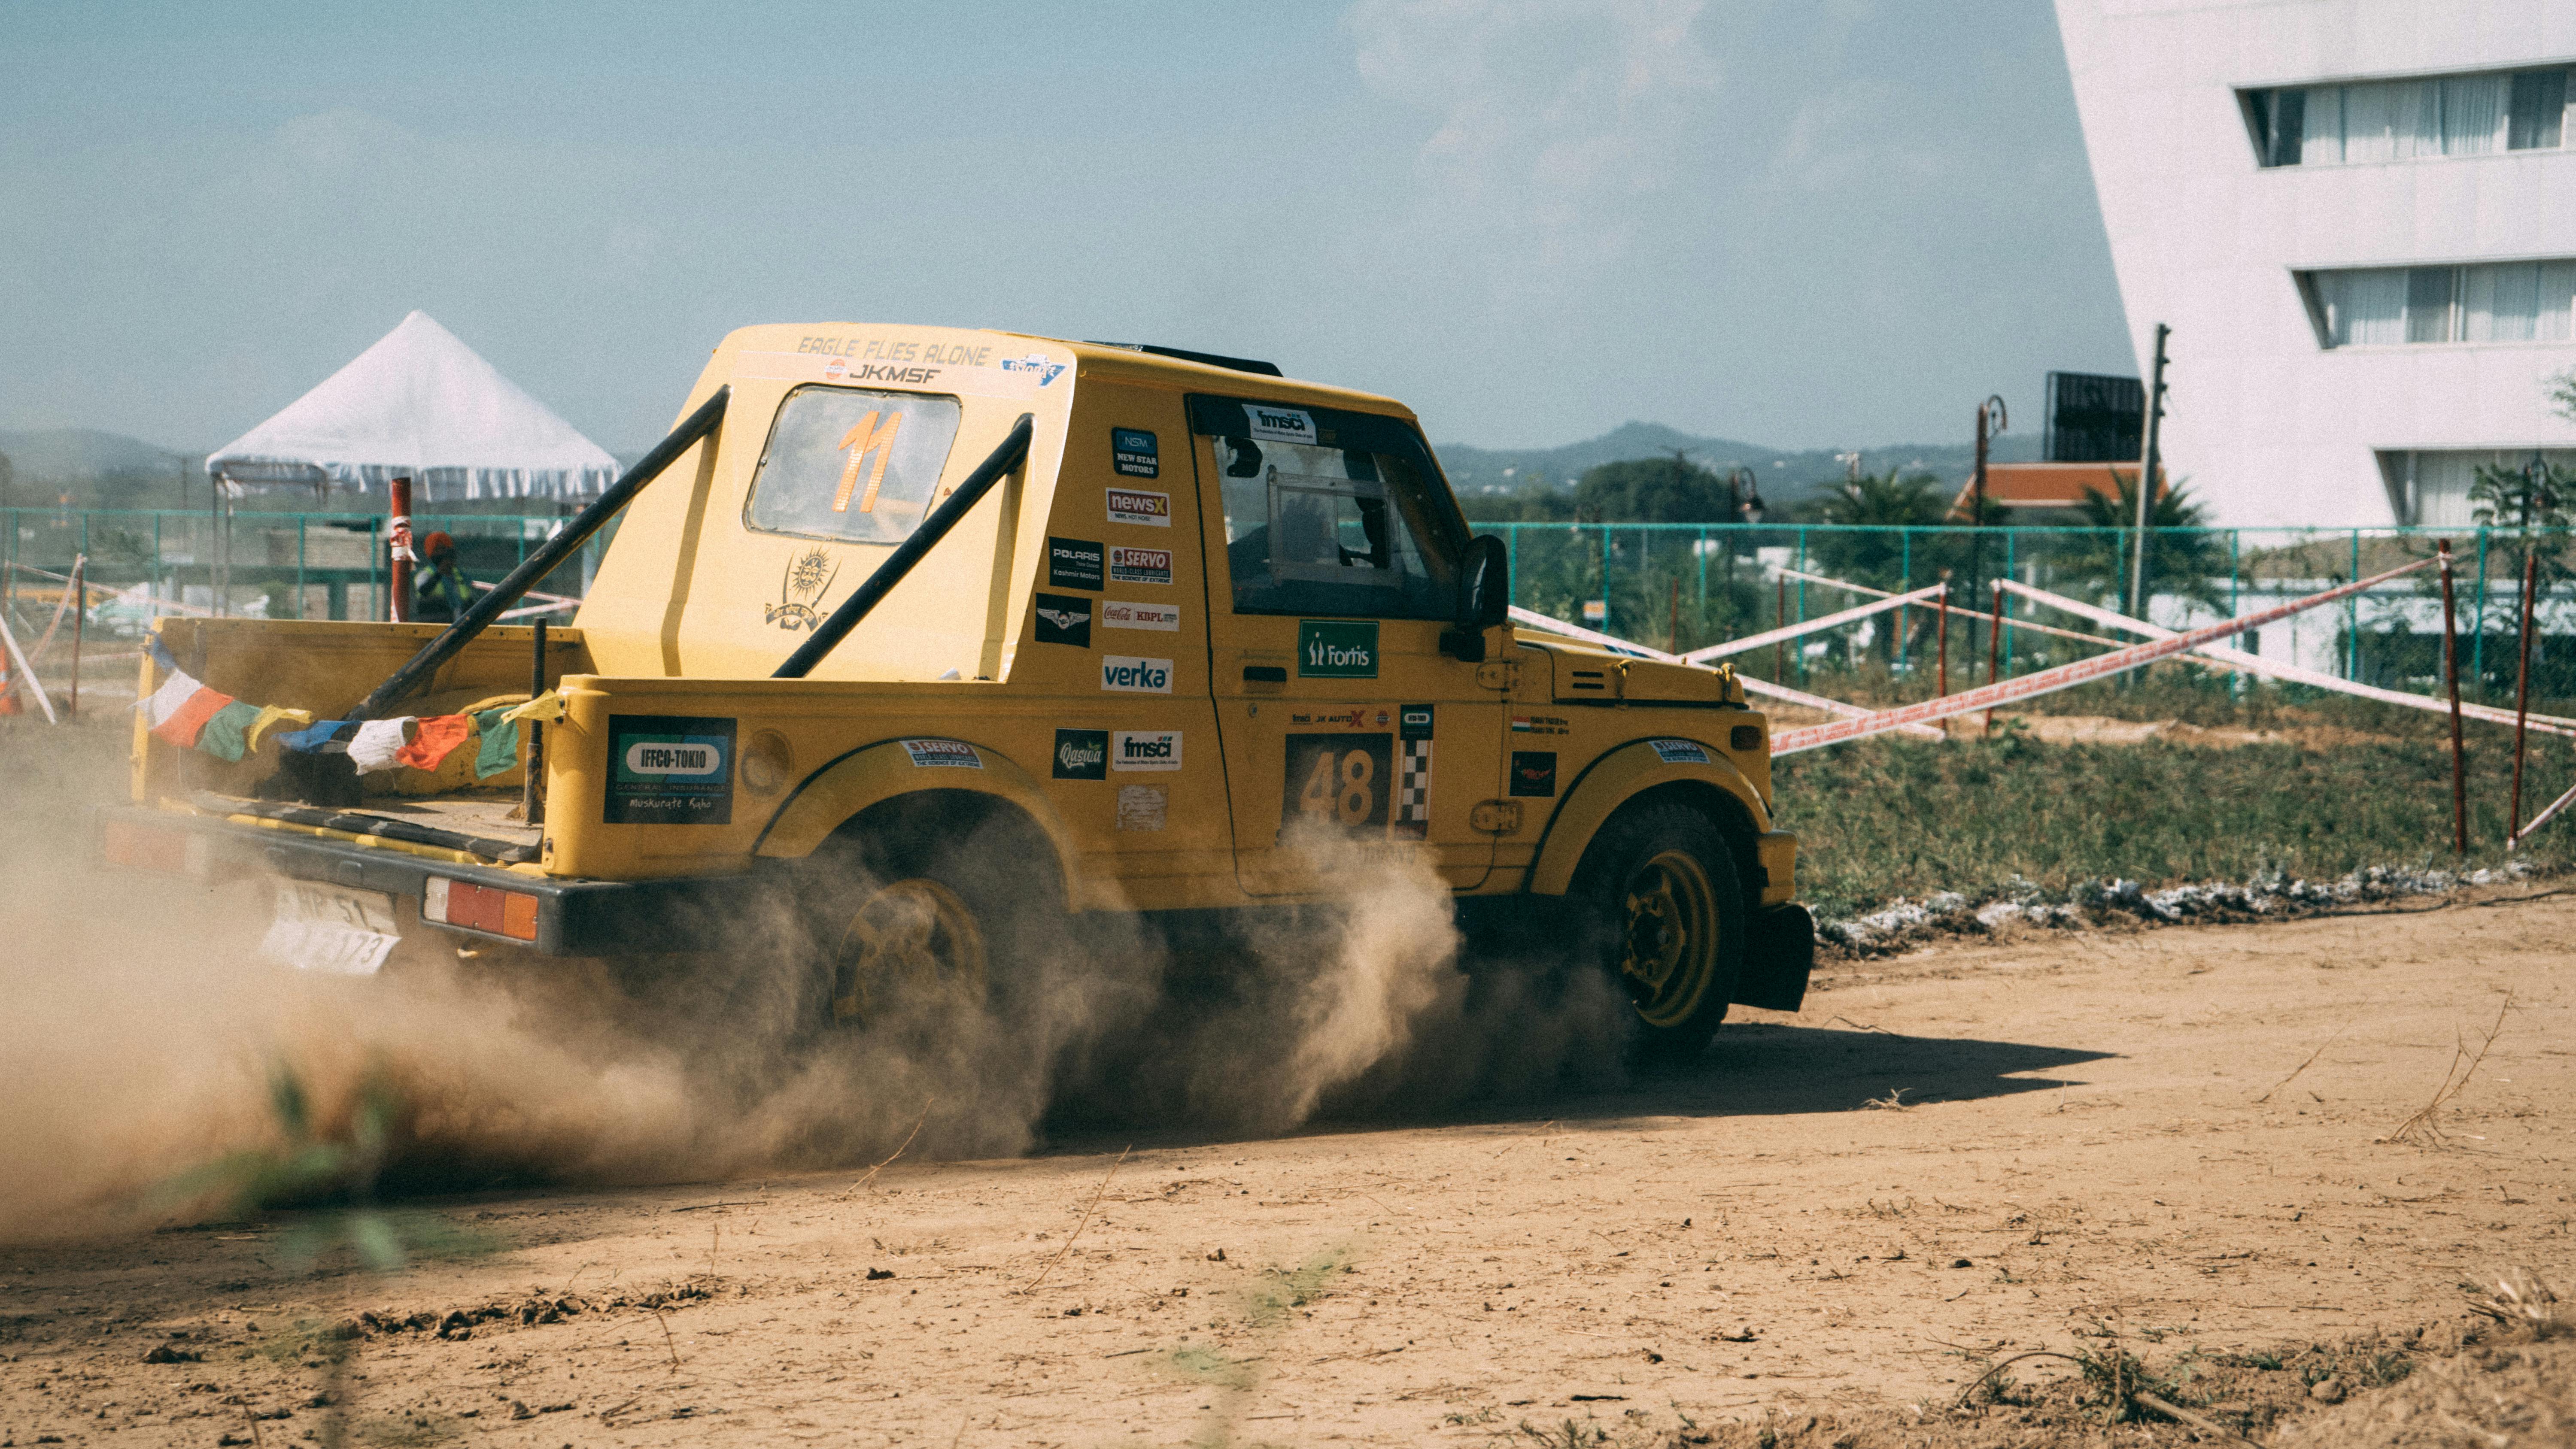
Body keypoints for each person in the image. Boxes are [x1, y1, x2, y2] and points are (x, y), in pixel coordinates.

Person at [415, 531, 474, 624]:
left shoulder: (460, 575)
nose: (442, 553)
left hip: (460, 626)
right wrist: (439, 574)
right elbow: (423, 590)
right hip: (433, 626)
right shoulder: (426, 574)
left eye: (445, 549)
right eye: (438, 549)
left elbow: (469, 601)